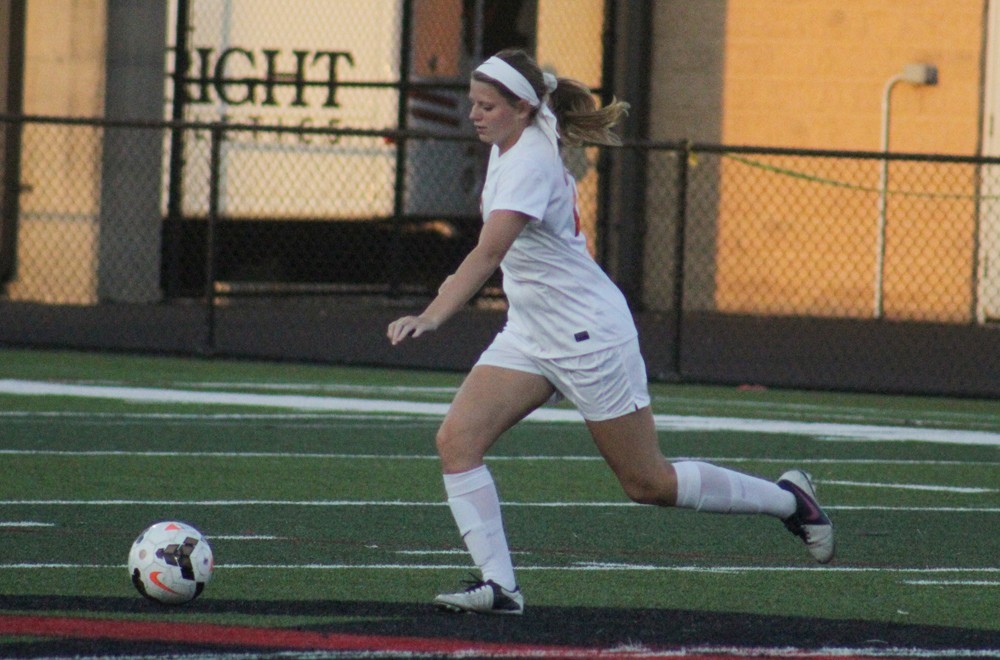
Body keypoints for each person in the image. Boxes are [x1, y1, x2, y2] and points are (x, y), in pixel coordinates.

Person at [387, 48, 834, 616]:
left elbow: (486, 254)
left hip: (586, 335)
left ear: (522, 109)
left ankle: (789, 502)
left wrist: (431, 314)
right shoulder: (522, 131)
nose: (474, 115)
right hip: (531, 331)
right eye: (472, 103)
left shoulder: (527, 161)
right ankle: (500, 587)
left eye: (487, 106)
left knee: (647, 483)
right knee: (456, 442)